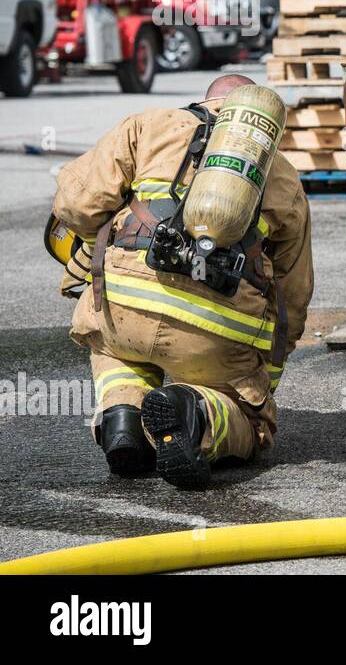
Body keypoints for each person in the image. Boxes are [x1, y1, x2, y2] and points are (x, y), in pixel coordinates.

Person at [53, 74, 313, 489]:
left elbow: (77, 203)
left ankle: (124, 419)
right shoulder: (284, 178)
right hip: (214, 335)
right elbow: (293, 294)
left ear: (205, 102)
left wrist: (98, 243)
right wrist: (262, 382)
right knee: (250, 420)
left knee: (118, 356)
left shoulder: (149, 124)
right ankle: (195, 411)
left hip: (123, 312)